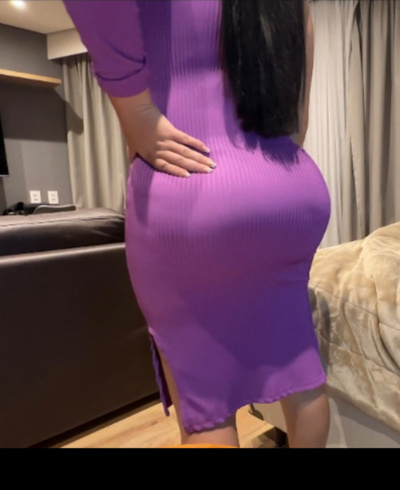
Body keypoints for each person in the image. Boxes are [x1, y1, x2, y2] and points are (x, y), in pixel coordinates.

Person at [63, 0, 331, 448]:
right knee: (301, 372)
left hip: (192, 193)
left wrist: (136, 113)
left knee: (208, 408)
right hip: (293, 188)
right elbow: (297, 118)